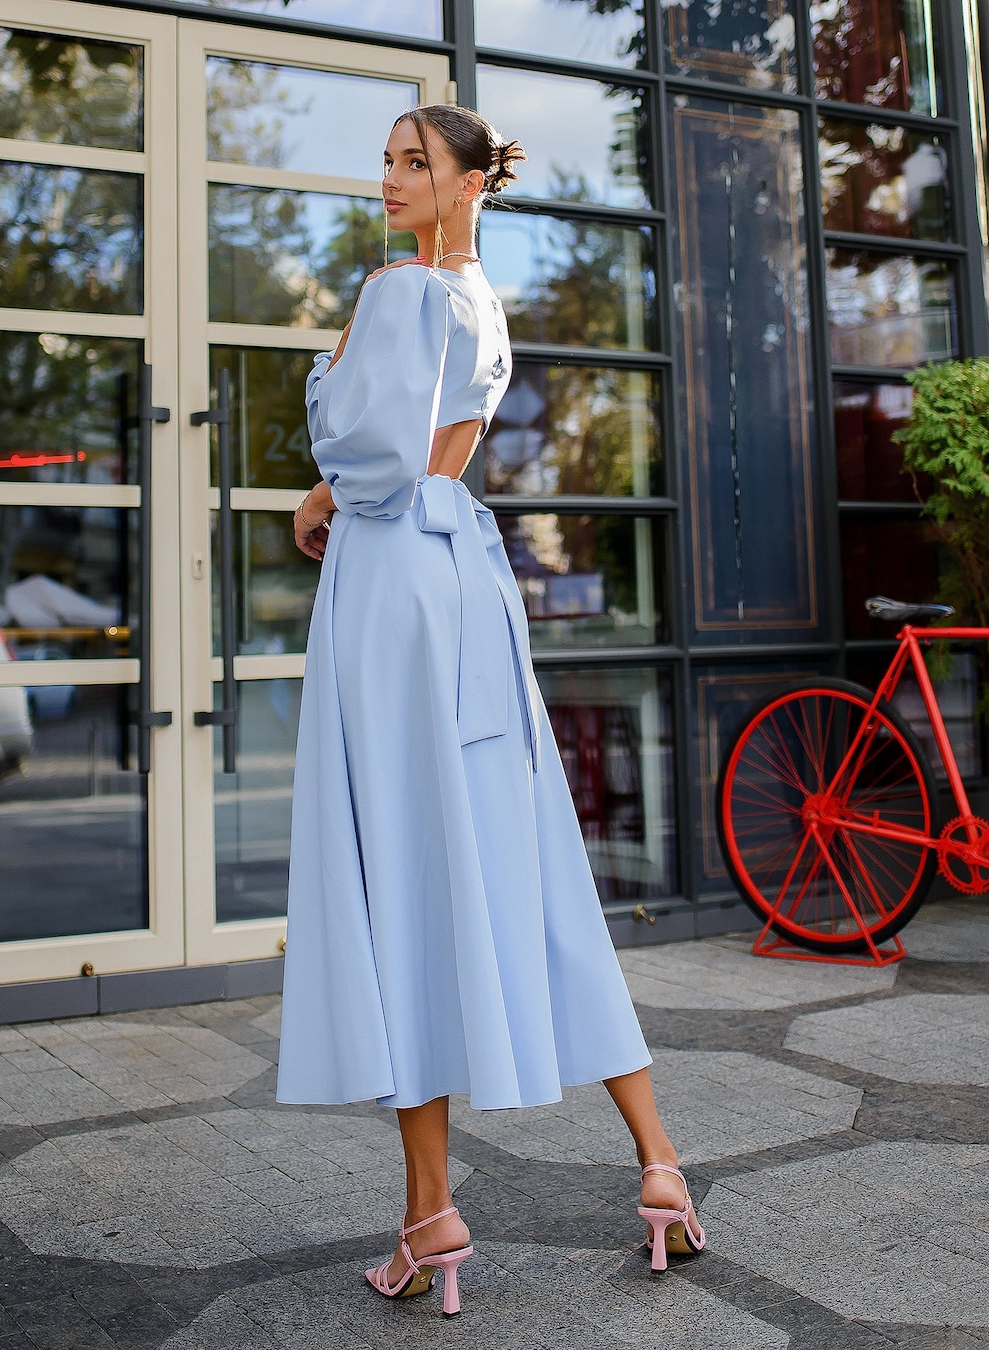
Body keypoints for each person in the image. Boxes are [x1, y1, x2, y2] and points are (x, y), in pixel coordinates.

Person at [276, 104, 704, 1315]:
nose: (394, 178)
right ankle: (660, 1168)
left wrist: (315, 479)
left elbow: (368, 453)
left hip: (392, 586)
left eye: (418, 161)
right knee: (523, 858)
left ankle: (432, 1213)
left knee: (404, 875)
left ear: (470, 182)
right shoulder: (479, 300)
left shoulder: (403, 294)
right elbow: (437, 448)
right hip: (463, 577)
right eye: (390, 158)